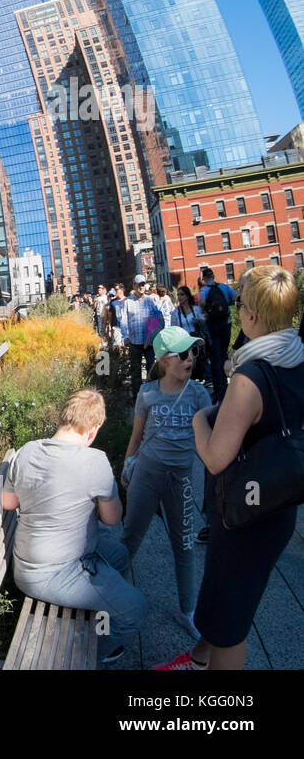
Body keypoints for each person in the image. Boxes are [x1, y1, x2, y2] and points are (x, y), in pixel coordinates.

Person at [157, 266, 304, 670]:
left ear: (251, 315)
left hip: (244, 515)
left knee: (231, 625)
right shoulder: (296, 356)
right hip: (279, 505)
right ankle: (200, 658)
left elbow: (216, 458)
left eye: (240, 302)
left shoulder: (249, 377)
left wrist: (199, 421)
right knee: (230, 599)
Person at [2, 389, 147, 663]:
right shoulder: (95, 461)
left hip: (26, 564)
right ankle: (95, 654)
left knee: (120, 555)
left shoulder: (27, 450)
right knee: (137, 607)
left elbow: (9, 503)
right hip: (55, 573)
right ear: (92, 430)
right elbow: (112, 518)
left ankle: (102, 610)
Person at [121, 327, 211, 641]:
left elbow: (210, 440)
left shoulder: (200, 394)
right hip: (146, 474)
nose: (191, 359)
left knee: (184, 546)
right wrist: (127, 465)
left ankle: (187, 611)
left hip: (182, 482)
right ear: (164, 359)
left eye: (194, 353)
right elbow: (136, 437)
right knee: (131, 537)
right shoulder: (148, 394)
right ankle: (109, 599)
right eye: (183, 354)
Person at [198, 267, 236, 402]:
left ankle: (219, 391)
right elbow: (235, 297)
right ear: (213, 276)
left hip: (213, 325)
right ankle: (226, 386)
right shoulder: (224, 287)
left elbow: (202, 303)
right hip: (226, 322)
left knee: (215, 358)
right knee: (224, 353)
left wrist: (206, 310)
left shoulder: (205, 290)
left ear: (203, 278)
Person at [171, 286, 209, 385]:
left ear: (187, 296)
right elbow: (173, 330)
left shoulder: (196, 310)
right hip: (183, 344)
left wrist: (199, 321)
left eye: (182, 294)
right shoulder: (175, 313)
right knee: (187, 367)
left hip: (196, 342)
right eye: (178, 294)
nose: (179, 296)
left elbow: (205, 324)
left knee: (198, 365)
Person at [123, 284, 150, 396]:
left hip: (148, 342)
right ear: (134, 286)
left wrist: (150, 337)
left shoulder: (150, 300)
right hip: (134, 341)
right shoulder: (128, 301)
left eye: (143, 284)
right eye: (139, 285)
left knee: (151, 368)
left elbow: (156, 318)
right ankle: (137, 396)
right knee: (135, 370)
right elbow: (124, 320)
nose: (141, 287)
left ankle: (151, 394)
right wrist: (126, 336)